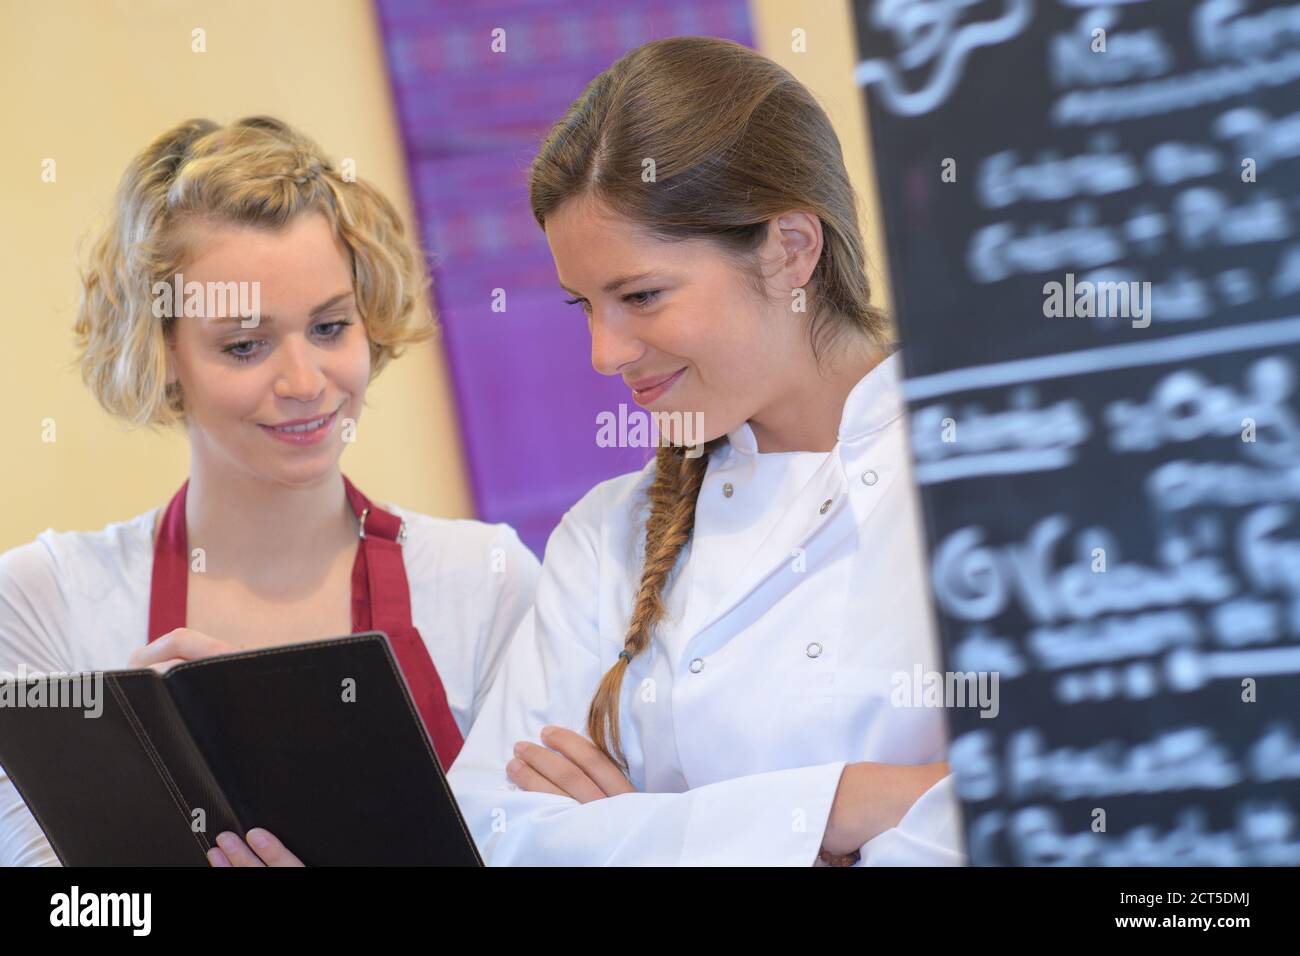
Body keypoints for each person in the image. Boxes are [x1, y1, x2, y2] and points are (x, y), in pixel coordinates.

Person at [446, 36, 967, 866]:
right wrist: (843, 806)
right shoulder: (606, 541)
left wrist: (651, 831)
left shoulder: (994, 474)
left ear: (792, 249)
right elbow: (490, 833)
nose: (603, 355)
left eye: (642, 295)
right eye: (584, 304)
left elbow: (1068, 806)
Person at [0, 116, 540, 867]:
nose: (303, 383)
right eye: (244, 345)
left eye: (328, 327)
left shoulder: (487, 581)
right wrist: (126, 781)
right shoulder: (40, 601)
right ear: (161, 352)